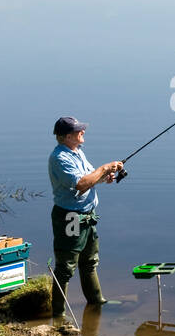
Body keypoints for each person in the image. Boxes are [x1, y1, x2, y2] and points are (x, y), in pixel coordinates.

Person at [47, 117, 123, 317]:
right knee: (66, 267)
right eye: (79, 130)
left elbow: (89, 177)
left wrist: (104, 176)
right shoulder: (59, 158)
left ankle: (97, 302)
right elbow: (80, 184)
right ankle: (58, 315)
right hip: (70, 217)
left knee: (90, 262)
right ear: (67, 136)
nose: (83, 132)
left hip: (87, 216)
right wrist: (104, 168)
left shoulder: (76, 152)